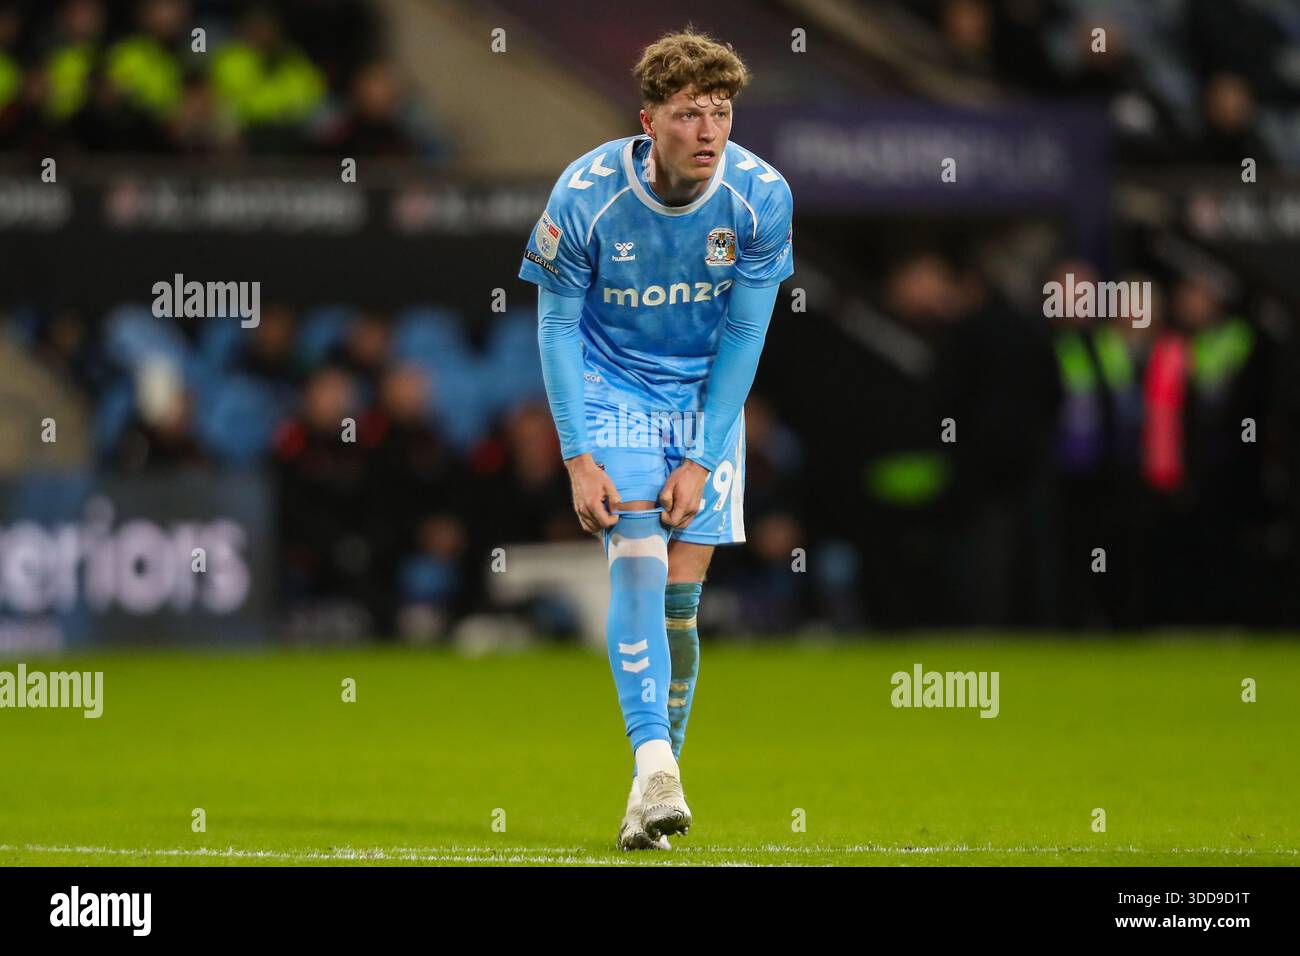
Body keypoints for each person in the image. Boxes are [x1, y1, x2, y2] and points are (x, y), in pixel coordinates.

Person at [517, 27, 794, 850]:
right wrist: (577, 454)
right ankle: (656, 765)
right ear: (648, 120)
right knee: (636, 546)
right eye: (687, 114)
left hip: (706, 394)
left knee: (683, 599)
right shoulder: (585, 192)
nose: (708, 131)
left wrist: (705, 458)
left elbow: (746, 336)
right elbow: (557, 326)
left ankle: (649, 789)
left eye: (721, 112)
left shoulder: (762, 197)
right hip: (612, 386)